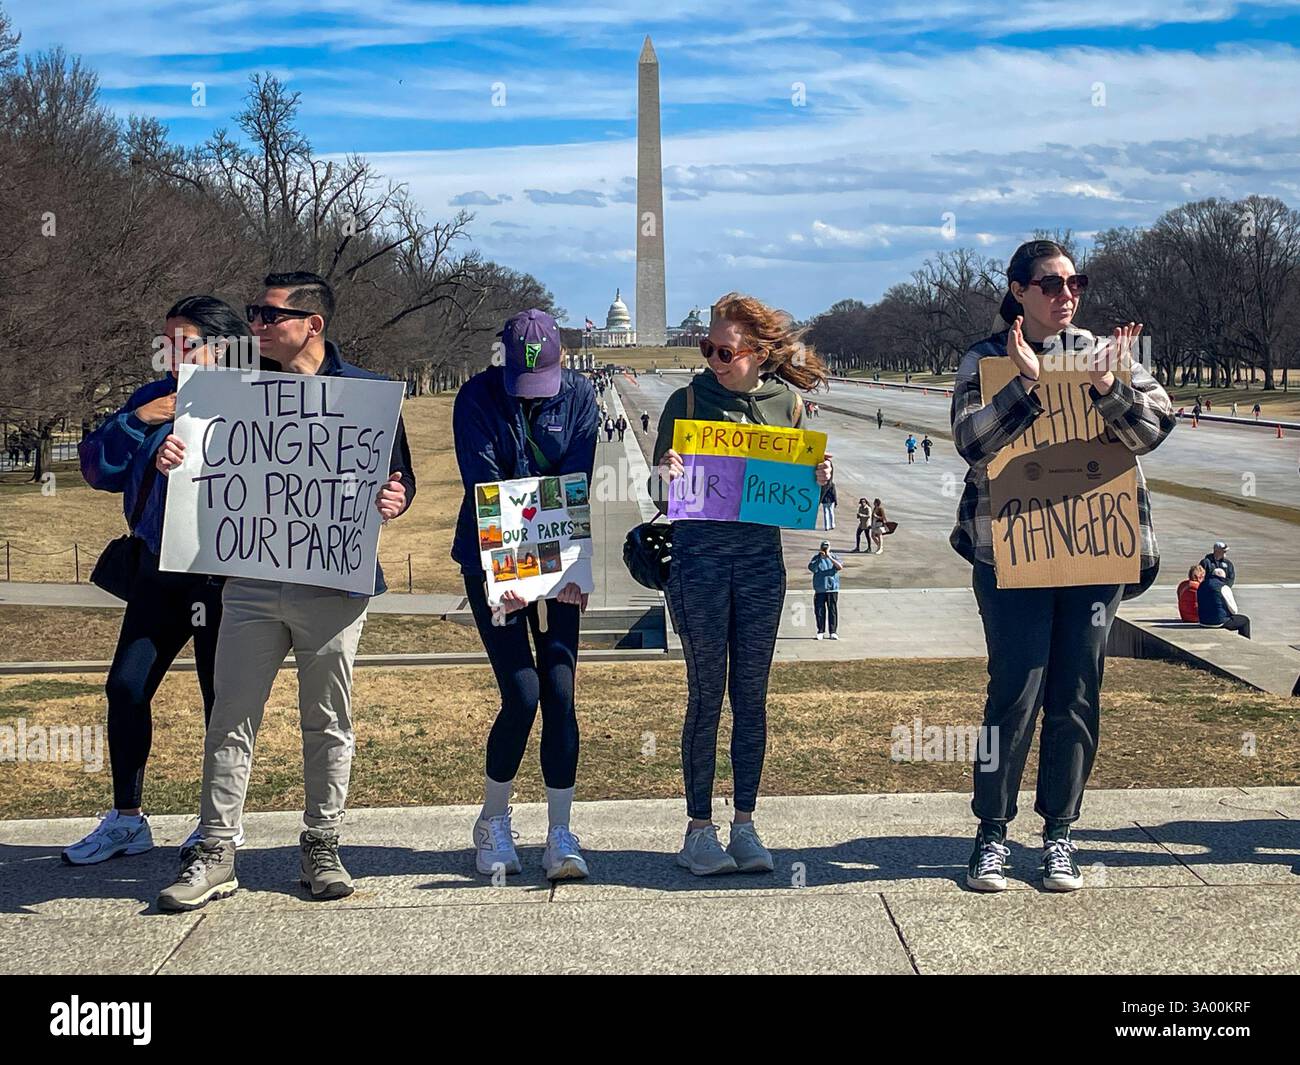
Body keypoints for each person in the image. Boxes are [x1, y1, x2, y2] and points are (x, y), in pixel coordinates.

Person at [154, 272, 417, 912]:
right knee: (230, 720)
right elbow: (200, 463)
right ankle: (217, 851)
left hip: (330, 585)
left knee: (328, 720)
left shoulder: (365, 397)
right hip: (248, 581)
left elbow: (400, 478)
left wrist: (398, 496)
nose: (254, 326)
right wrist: (170, 456)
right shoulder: (227, 390)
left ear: (311, 325)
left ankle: (322, 844)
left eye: (267, 315)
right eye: (252, 313)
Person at [951, 238, 1174, 895]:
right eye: (1050, 283)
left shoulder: (1109, 354)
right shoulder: (985, 357)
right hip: (1011, 551)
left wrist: (1108, 385)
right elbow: (971, 440)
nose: (1066, 293)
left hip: (1093, 551)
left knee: (1076, 694)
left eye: (1076, 281)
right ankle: (991, 833)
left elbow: (1153, 431)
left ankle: (1059, 835)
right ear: (1018, 290)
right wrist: (1025, 385)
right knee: (1014, 693)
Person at [62, 297, 250, 866]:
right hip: (157, 569)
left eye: (186, 343)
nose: (171, 353)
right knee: (126, 687)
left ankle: (218, 826)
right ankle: (126, 819)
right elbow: (97, 468)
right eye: (166, 341)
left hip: (225, 577)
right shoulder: (150, 399)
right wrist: (144, 428)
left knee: (222, 703)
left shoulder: (261, 400)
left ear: (224, 348)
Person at [653, 292, 832, 876]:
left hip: (760, 565)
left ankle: (747, 823)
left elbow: (802, 492)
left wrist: (821, 476)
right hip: (699, 564)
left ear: (755, 352)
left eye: (723, 350)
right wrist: (665, 475)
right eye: (707, 348)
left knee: (751, 698)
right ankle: (698, 830)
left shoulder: (789, 405)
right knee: (708, 694)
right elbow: (660, 495)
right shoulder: (685, 401)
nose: (712, 358)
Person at [452, 310, 598, 881]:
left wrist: (567, 571)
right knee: (523, 694)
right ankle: (493, 819)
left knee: (561, 691)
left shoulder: (581, 397)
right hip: (493, 554)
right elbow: (483, 482)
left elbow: (576, 481)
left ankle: (561, 830)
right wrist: (508, 575)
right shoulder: (476, 398)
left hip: (559, 550)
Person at [1198, 567, 1251, 638]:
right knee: (1245, 620)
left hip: (1203, 621)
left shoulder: (1202, 585)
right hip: (1218, 622)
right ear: (1223, 577)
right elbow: (1234, 611)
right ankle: (1245, 643)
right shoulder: (1224, 587)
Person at [808, 540, 842, 640]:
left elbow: (839, 567)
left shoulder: (834, 556)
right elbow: (812, 568)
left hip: (832, 589)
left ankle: (833, 631)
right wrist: (820, 558)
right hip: (820, 589)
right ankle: (820, 631)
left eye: (826, 547)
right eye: (823, 547)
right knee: (819, 611)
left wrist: (829, 557)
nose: (825, 549)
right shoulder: (816, 558)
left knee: (832, 610)